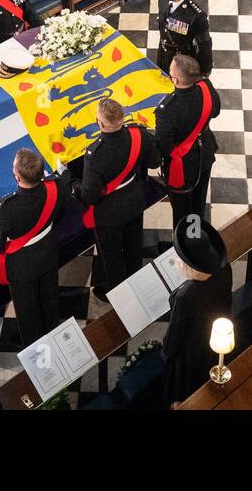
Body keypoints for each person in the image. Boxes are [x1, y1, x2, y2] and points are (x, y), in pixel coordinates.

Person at [70, 98, 160, 295]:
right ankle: (137, 283)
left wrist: (73, 185)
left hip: (108, 213)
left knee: (111, 257)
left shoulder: (95, 155)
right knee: (133, 245)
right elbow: (154, 161)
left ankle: (118, 295)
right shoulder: (139, 134)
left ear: (100, 123)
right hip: (135, 200)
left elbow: (89, 196)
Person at [0, 148, 66, 347]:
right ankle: (54, 334)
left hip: (22, 266)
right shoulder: (55, 187)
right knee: (49, 298)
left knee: (27, 310)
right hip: (48, 252)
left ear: (17, 177)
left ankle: (34, 346)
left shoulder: (6, 208)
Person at [162, 213, 232, 406]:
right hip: (216, 338)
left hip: (191, 356)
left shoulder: (186, 295)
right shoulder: (225, 269)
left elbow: (174, 338)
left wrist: (165, 354)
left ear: (190, 267)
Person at [155, 54, 220, 231]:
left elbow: (163, 146)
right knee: (198, 203)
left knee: (182, 211)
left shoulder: (167, 109)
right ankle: (194, 236)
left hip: (182, 166)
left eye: (169, 70)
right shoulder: (206, 86)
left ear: (175, 79)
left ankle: (183, 246)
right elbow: (215, 111)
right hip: (205, 152)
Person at [156, 0, 212, 76]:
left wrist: (205, 70)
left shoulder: (196, 16)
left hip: (182, 61)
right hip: (164, 53)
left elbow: (205, 45)